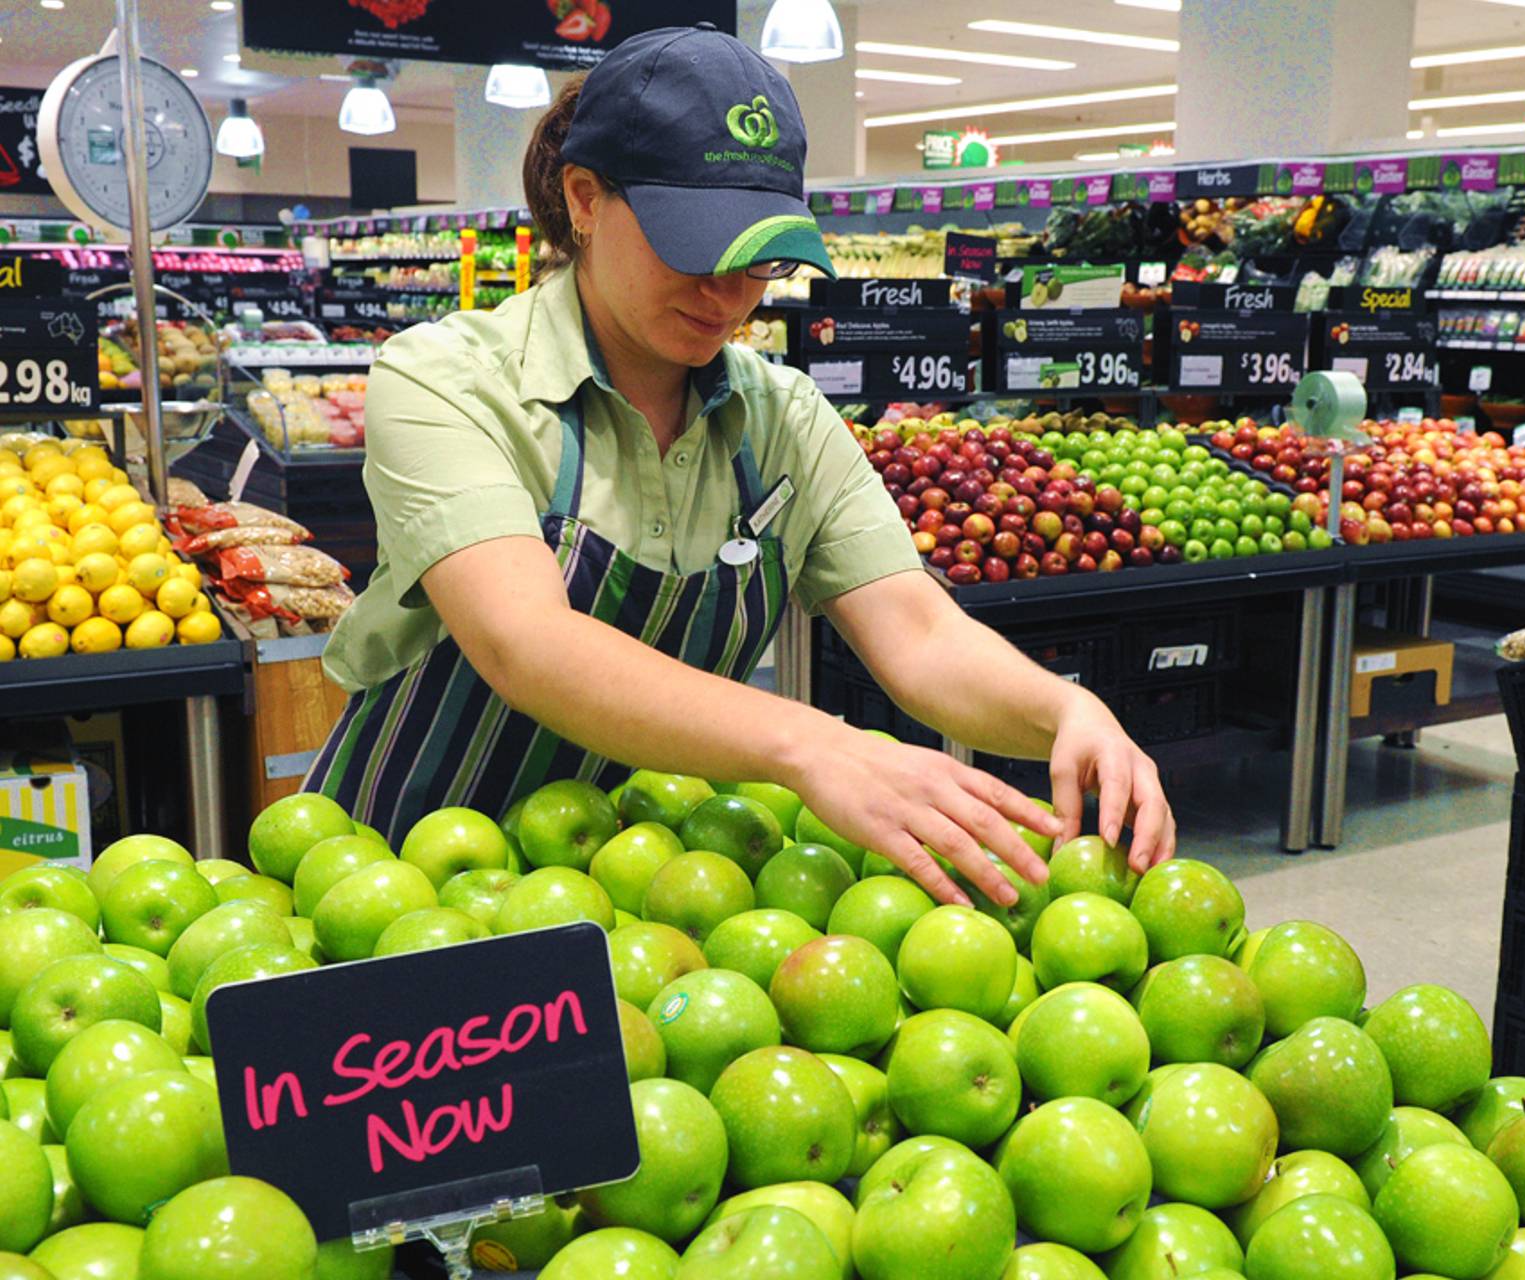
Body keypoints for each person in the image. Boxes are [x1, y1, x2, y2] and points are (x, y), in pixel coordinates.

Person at [303, 24, 1173, 908]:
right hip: (398, 897)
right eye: (691, 245)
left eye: (759, 257)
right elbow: (526, 642)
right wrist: (820, 743)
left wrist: (1064, 711)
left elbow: (919, 634)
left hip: (662, 908)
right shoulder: (447, 381)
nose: (727, 293)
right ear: (585, 198)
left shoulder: (783, 418)